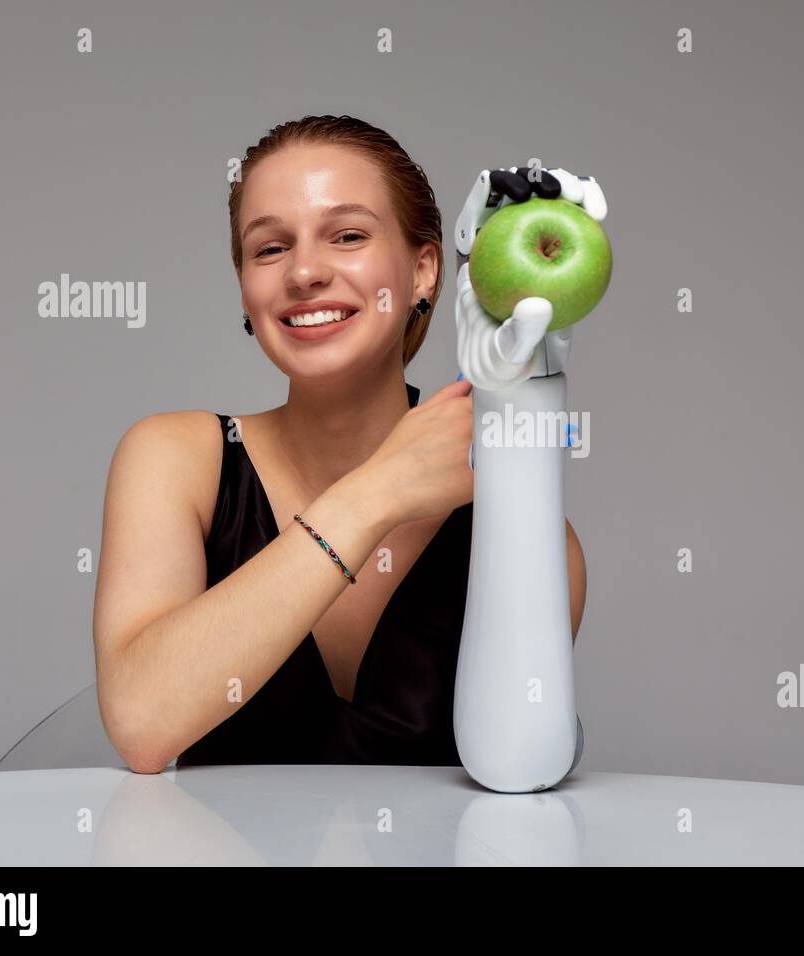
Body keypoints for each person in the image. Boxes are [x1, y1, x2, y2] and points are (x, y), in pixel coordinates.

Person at [91, 115, 587, 773]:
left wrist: (525, 405)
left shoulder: (512, 515)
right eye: (269, 249)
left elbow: (521, 765)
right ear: (244, 286)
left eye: (348, 236)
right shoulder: (177, 458)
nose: (303, 272)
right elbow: (141, 724)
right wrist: (379, 491)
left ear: (424, 271)